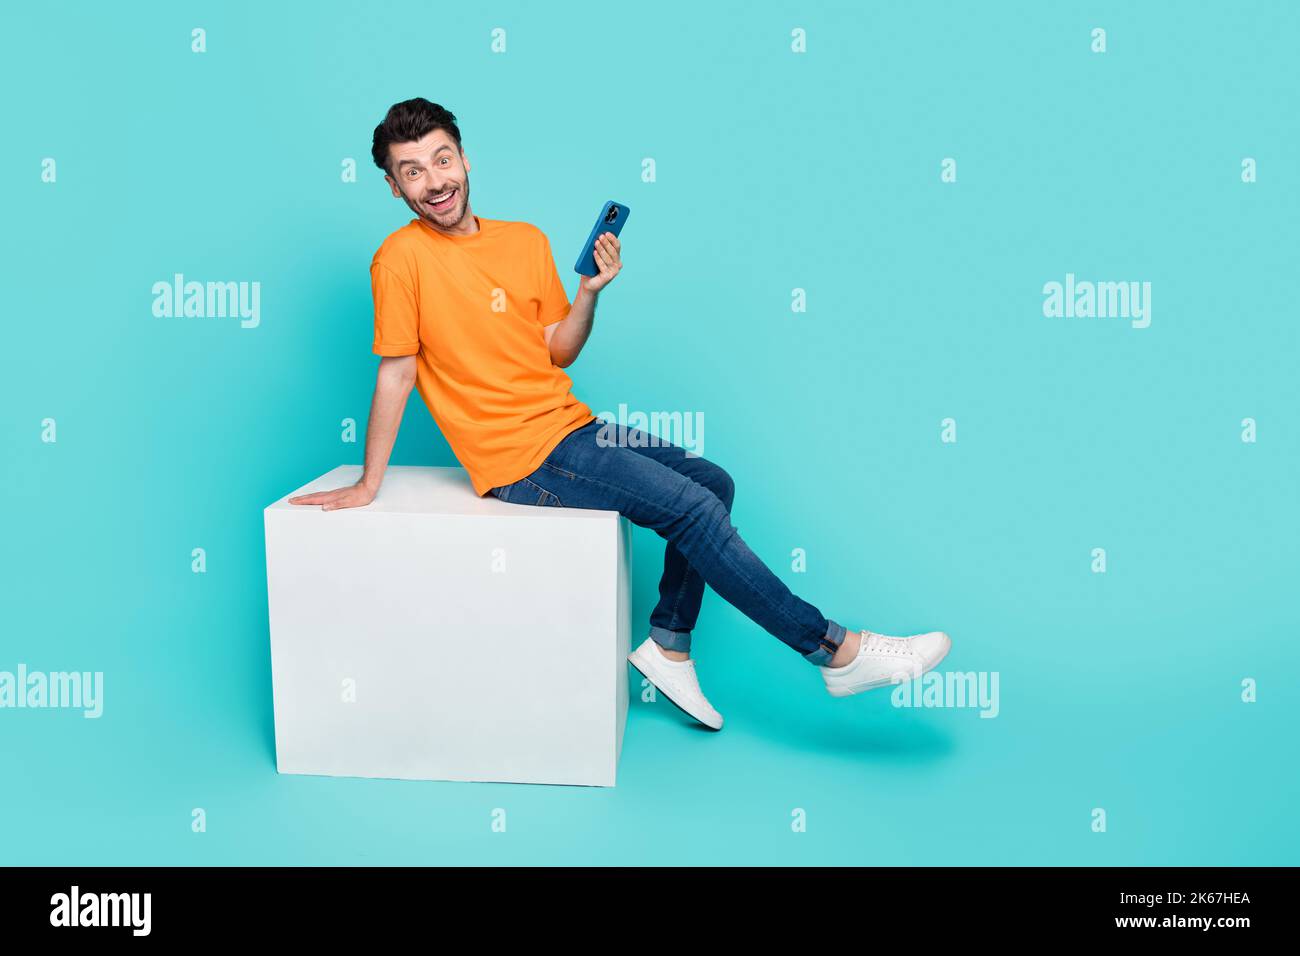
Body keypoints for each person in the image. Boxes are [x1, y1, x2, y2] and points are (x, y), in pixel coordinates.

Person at [289, 98, 951, 731]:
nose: (433, 181)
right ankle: (833, 650)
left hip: (571, 424)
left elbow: (556, 351)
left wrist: (587, 293)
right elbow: (398, 371)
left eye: (441, 160)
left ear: (465, 160)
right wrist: (370, 483)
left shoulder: (524, 240)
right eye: (412, 171)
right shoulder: (400, 259)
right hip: (521, 458)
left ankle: (667, 646)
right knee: (690, 510)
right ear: (393, 187)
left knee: (713, 482)